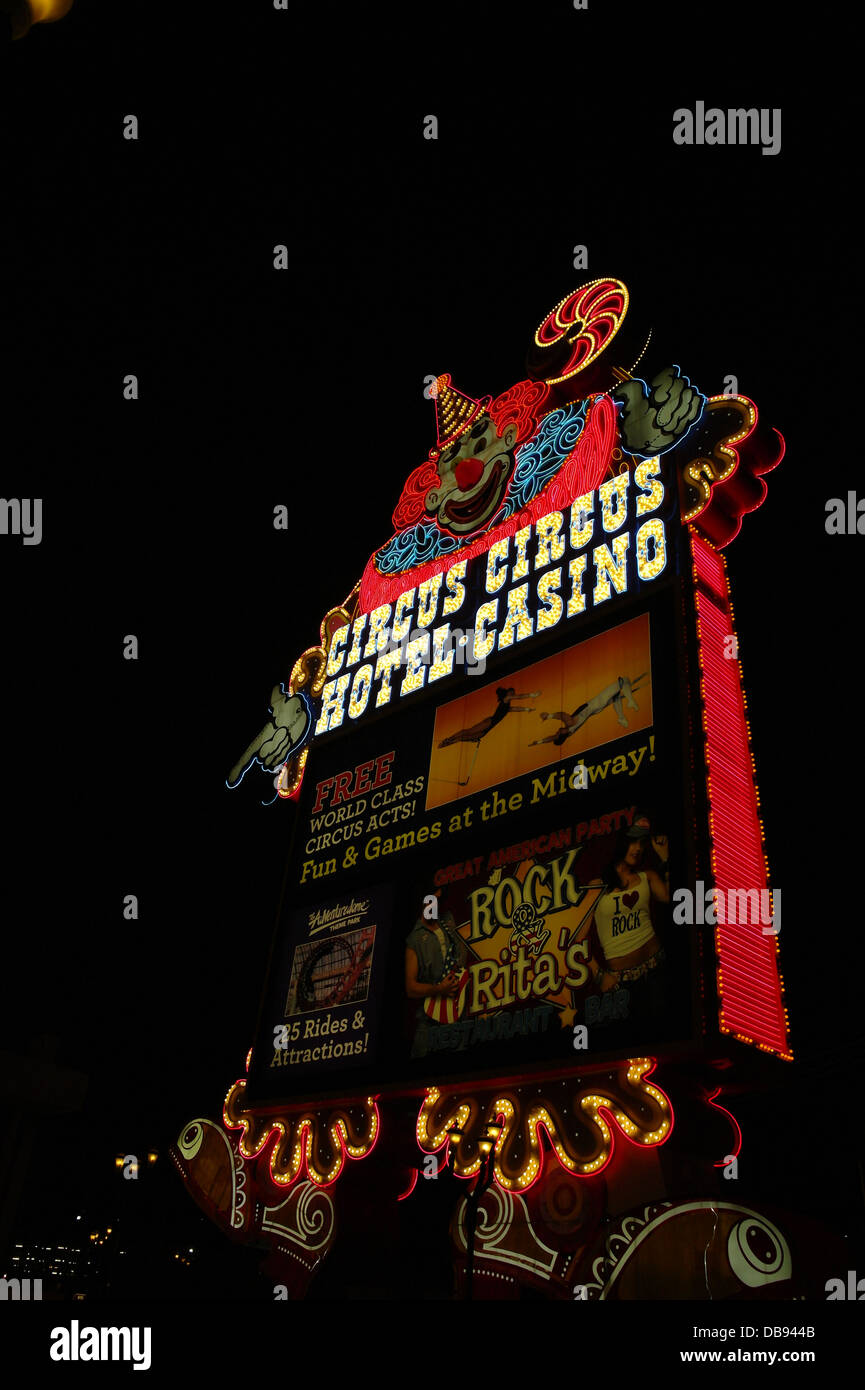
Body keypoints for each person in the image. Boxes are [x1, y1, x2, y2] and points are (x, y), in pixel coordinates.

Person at [578, 813, 670, 1030]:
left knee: (664, 1031)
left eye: (642, 843)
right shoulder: (598, 886)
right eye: (632, 841)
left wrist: (665, 858)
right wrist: (599, 975)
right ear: (621, 844)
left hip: (658, 969)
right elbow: (576, 938)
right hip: (621, 982)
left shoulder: (648, 876)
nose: (638, 848)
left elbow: (671, 897)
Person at [405, 892, 468, 1057]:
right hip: (430, 1021)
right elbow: (411, 988)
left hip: (458, 1014)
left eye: (439, 900)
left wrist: (459, 966)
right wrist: (439, 989)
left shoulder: (447, 920)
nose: (435, 905)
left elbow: (463, 948)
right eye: (431, 900)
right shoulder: (415, 939)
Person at [529, 674, 646, 747]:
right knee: (623, 680)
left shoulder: (568, 732)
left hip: (595, 710)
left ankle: (621, 717)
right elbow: (561, 716)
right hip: (595, 704)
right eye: (558, 733)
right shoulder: (569, 725)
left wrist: (539, 742)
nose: (557, 731)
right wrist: (549, 716)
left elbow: (553, 739)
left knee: (616, 697)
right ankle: (629, 701)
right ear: (562, 735)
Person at [438, 687, 539, 747]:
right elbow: (519, 697)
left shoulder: (507, 706)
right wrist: (532, 695)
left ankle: (449, 742)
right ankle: (450, 738)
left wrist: (527, 710)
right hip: (489, 722)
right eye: (511, 693)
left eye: (513, 693)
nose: (513, 695)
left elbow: (515, 709)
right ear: (508, 694)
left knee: (472, 737)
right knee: (469, 731)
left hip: (489, 727)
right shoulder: (506, 699)